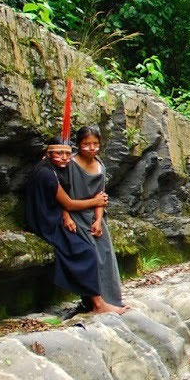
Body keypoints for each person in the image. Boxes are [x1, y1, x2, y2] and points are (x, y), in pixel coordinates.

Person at [22, 138, 126, 315]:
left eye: (67, 154)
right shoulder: (47, 174)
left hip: (53, 214)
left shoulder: (53, 169)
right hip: (45, 220)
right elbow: (68, 203)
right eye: (58, 153)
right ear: (48, 154)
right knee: (84, 252)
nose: (63, 158)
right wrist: (95, 201)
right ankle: (98, 305)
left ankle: (95, 302)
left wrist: (66, 215)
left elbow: (60, 203)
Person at [65, 125, 123, 307]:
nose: (91, 148)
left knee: (105, 254)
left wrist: (98, 220)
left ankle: (112, 300)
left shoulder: (100, 166)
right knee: (90, 255)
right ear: (79, 144)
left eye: (95, 144)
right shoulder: (70, 165)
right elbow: (61, 195)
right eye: (86, 144)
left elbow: (101, 197)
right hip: (75, 215)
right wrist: (66, 216)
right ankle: (93, 302)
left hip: (95, 216)